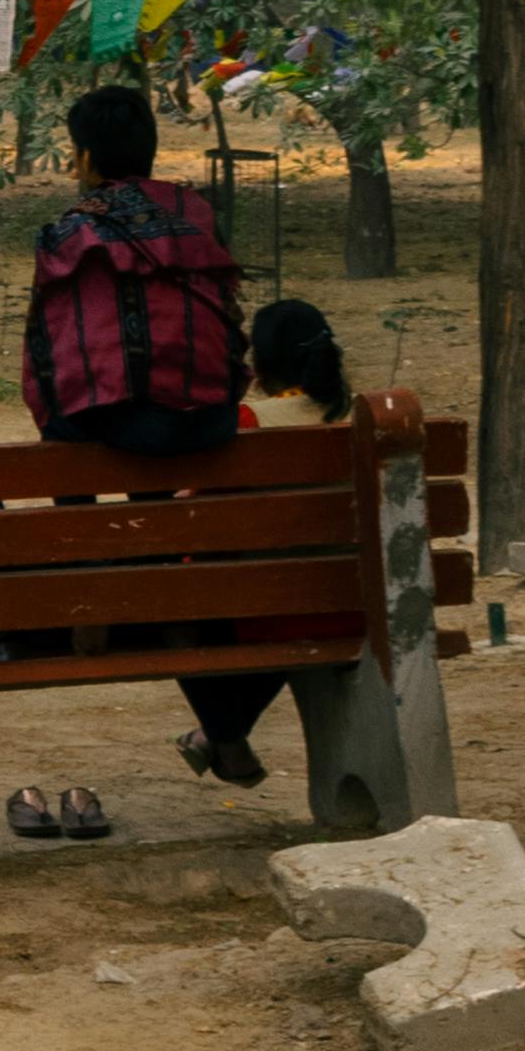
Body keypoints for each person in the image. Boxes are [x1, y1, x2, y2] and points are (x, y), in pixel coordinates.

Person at [172, 299, 361, 791]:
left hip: (268, 612)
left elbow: (197, 518)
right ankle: (219, 738)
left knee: (173, 608)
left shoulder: (248, 420)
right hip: (353, 605)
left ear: (259, 365)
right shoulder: (361, 418)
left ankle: (224, 736)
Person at [19, 83, 243, 453]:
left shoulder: (76, 233)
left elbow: (48, 343)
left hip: (128, 427)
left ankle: (80, 513)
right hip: (213, 419)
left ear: (85, 158)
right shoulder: (196, 214)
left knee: (68, 420)